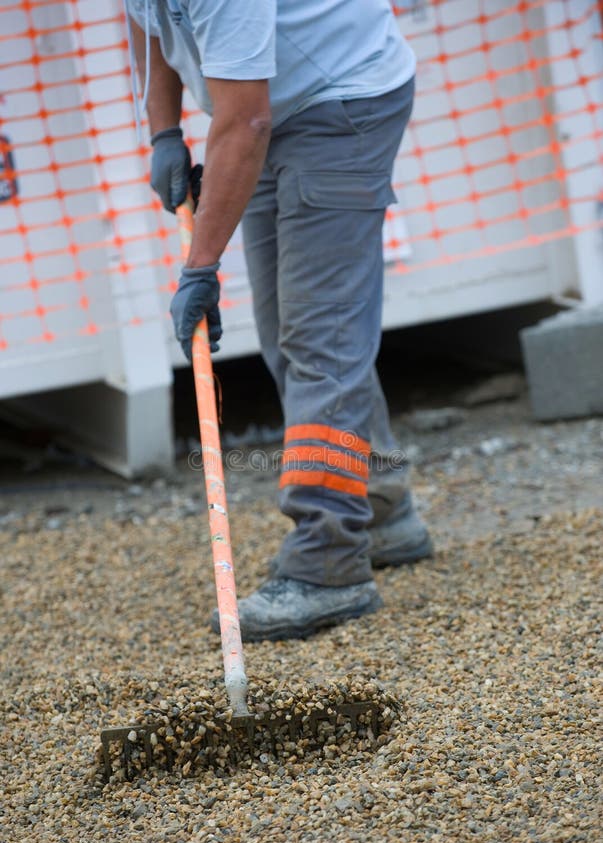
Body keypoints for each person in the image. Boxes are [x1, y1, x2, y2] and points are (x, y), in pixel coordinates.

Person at [125, 0, 433, 642]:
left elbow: (245, 120)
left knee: (320, 340)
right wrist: (162, 131)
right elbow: (150, 20)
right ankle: (380, 502)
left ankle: (329, 559)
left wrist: (199, 269)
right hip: (269, 105)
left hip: (338, 99)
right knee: (295, 335)